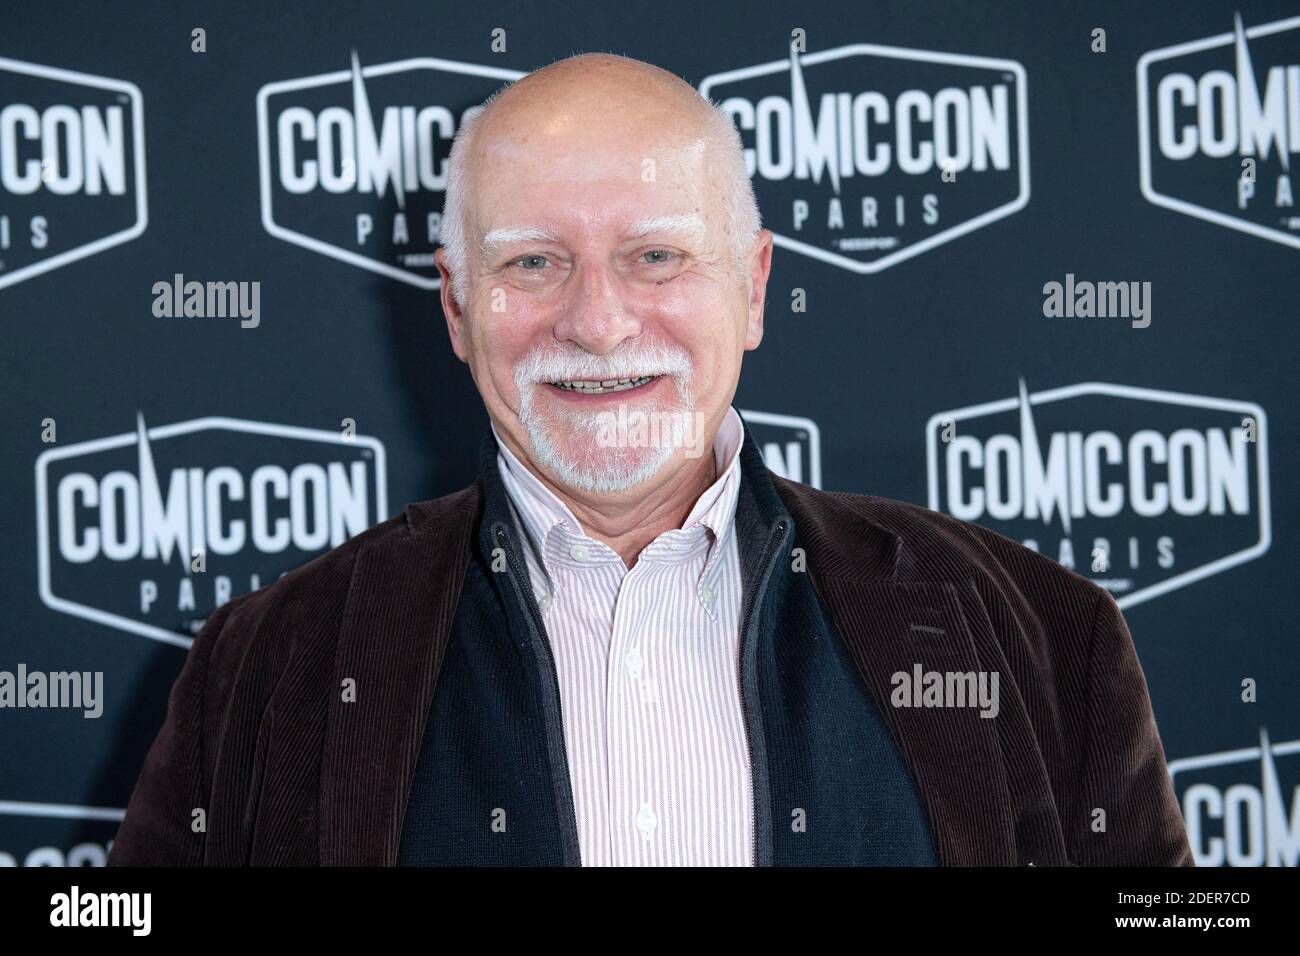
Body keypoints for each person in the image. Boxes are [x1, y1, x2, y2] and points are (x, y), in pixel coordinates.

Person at [108, 52, 1191, 867]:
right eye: (533, 261)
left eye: (656, 256)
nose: (600, 321)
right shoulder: (266, 664)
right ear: (454, 303)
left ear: (754, 287)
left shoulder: (1042, 632)